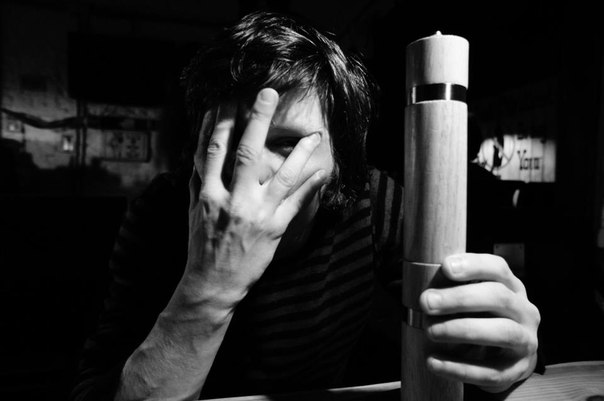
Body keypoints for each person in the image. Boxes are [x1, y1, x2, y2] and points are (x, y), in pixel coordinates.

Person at [70, 10, 542, 401]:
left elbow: (464, 337)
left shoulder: (372, 201)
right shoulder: (159, 213)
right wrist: (208, 287)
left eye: (287, 143)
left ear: (340, 158)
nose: (251, 170)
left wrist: (500, 348)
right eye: (231, 139)